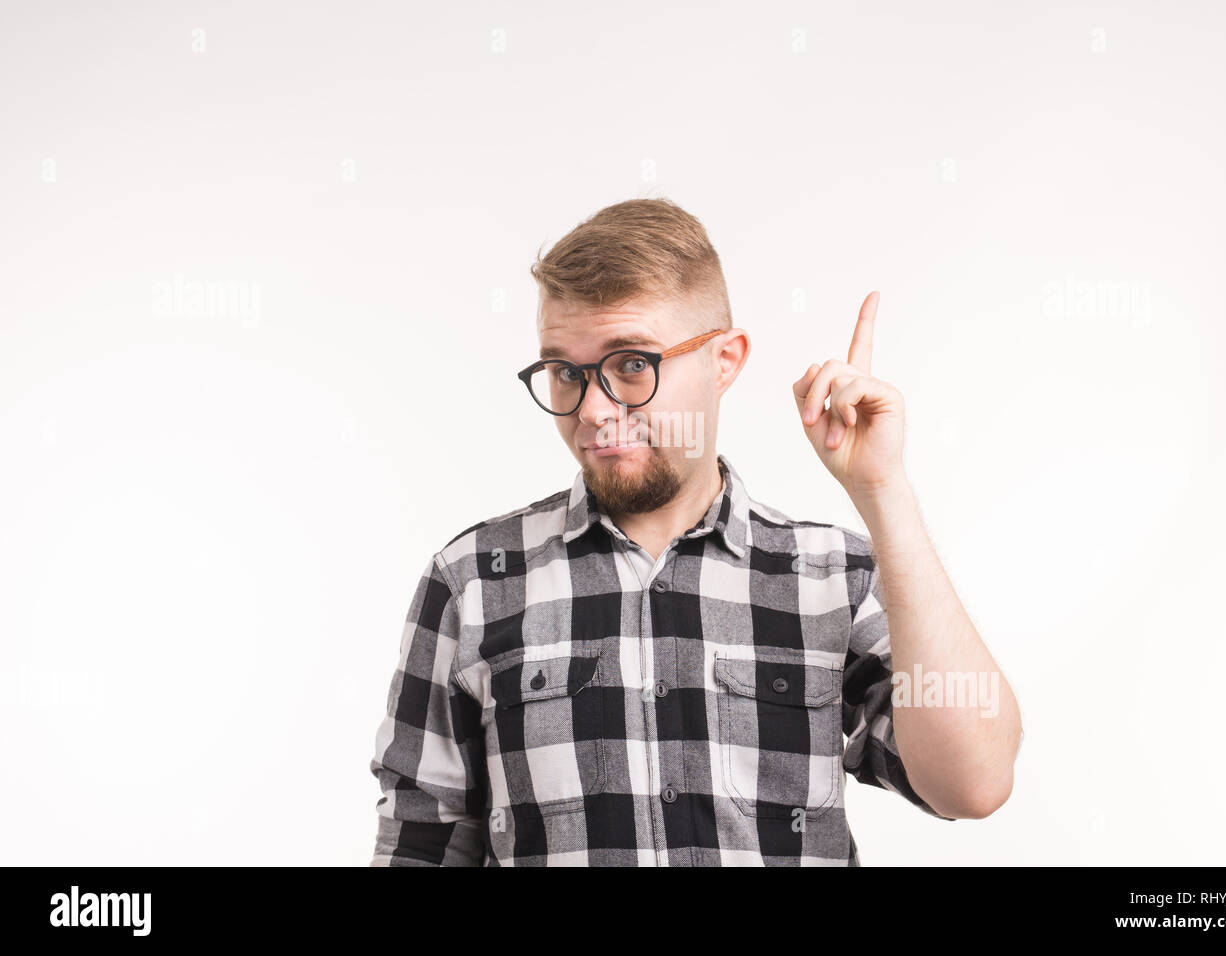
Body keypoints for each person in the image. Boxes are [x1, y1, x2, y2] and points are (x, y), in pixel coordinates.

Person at [368, 197, 1022, 866]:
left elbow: (972, 783)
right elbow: (422, 844)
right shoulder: (474, 582)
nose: (593, 410)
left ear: (725, 360)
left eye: (630, 365)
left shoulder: (831, 578)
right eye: (566, 372)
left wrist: (883, 491)